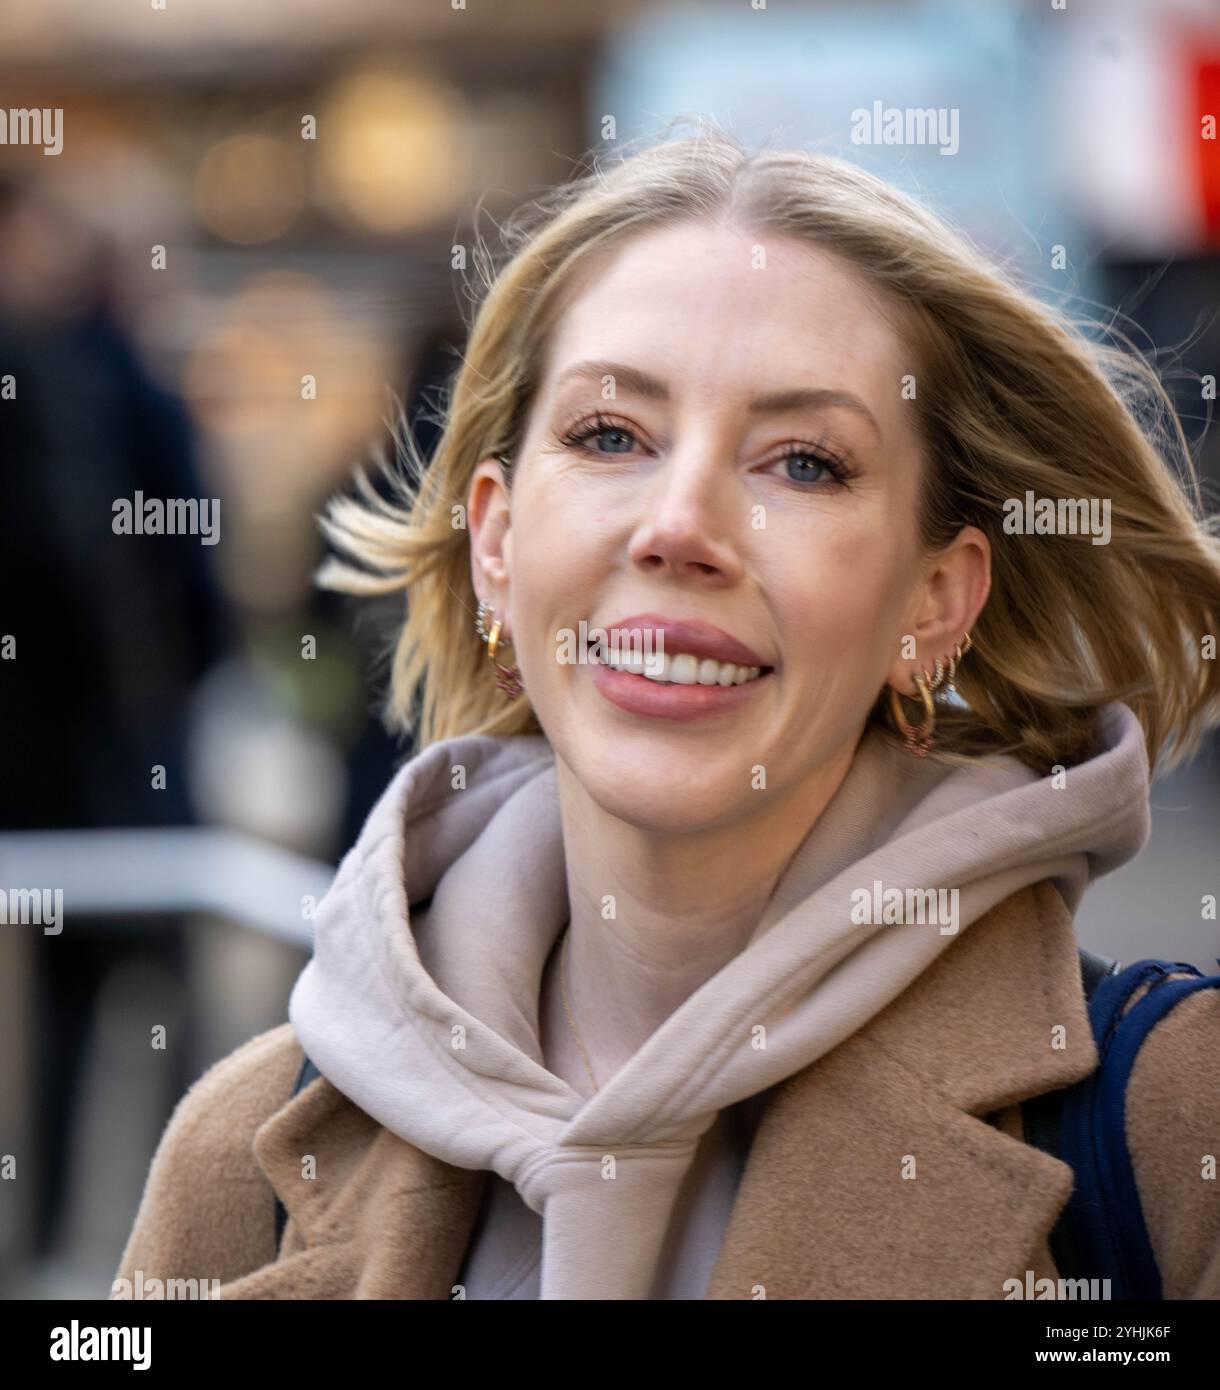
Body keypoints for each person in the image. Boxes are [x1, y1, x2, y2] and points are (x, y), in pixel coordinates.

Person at [111, 121, 1220, 1301]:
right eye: (609, 435)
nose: (679, 526)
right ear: (495, 541)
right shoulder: (239, 1158)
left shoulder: (1165, 1131)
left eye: (802, 462)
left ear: (933, 602)